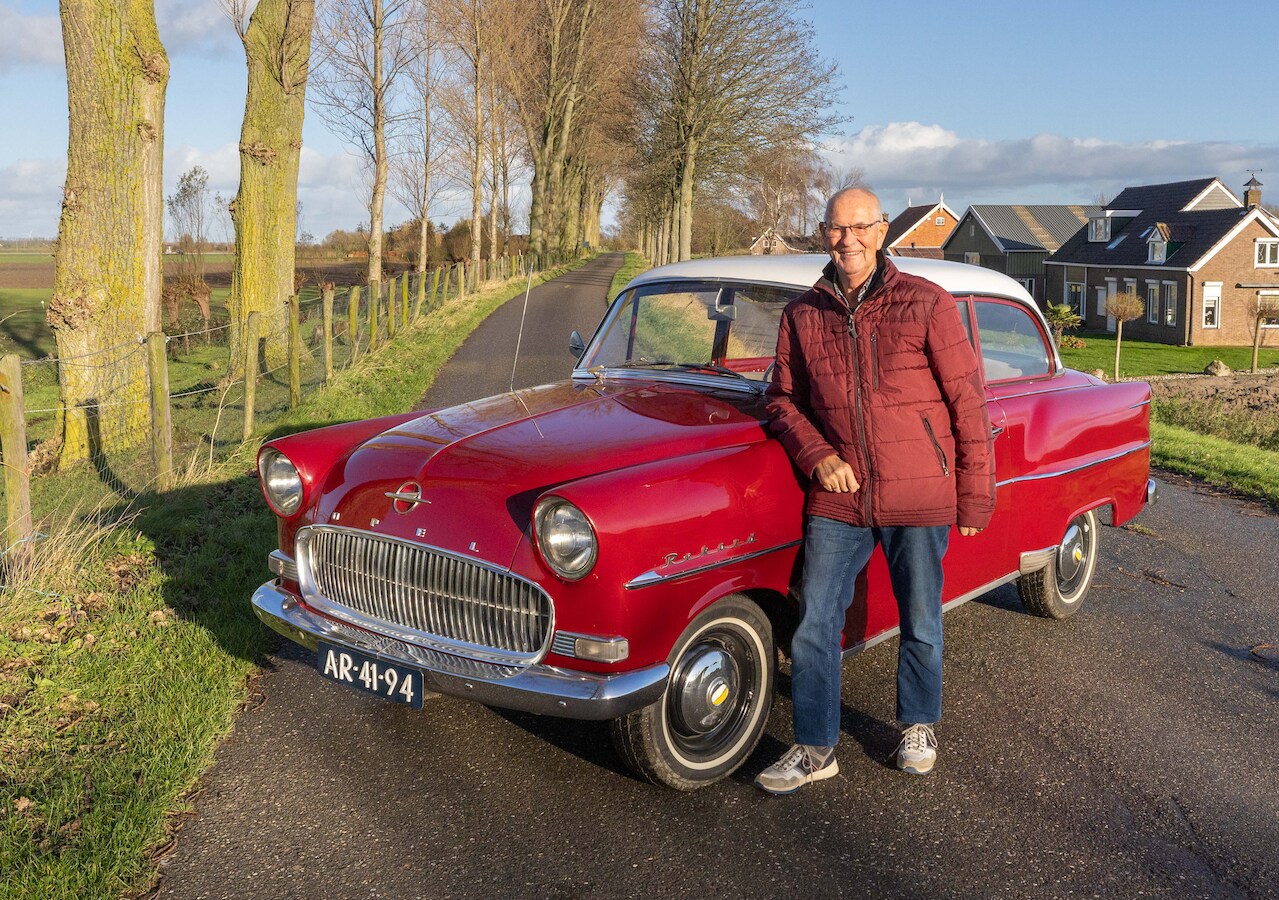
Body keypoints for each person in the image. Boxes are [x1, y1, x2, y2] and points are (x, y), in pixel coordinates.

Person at [756, 188, 995, 795]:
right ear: (823, 233)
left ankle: (917, 726)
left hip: (919, 489)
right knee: (813, 622)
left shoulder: (926, 303)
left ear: (882, 230)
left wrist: (974, 496)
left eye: (860, 227)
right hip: (841, 495)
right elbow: (781, 401)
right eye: (837, 229)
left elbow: (969, 402)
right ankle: (814, 747)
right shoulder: (802, 314)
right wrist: (819, 457)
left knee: (920, 617)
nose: (848, 240)